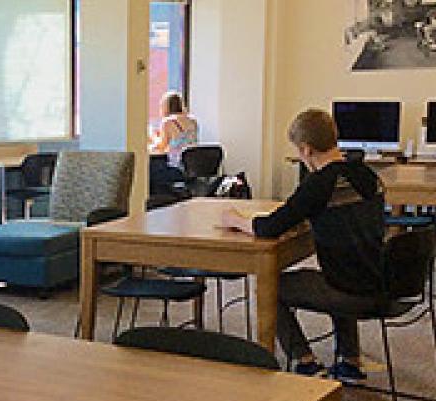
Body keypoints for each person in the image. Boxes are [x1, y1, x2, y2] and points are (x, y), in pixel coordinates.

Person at [220, 109, 385, 382]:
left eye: (298, 151)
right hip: (382, 281)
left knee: (271, 286)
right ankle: (350, 361)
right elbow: (345, 216)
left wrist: (236, 220)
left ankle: (304, 361)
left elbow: (270, 227)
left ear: (306, 150)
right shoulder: (367, 175)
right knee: (344, 268)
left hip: (350, 290)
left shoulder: (319, 184)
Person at [148, 91, 201, 196]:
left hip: (177, 169)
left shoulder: (168, 122)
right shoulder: (193, 121)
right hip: (193, 169)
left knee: (150, 170)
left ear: (166, 106)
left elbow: (162, 146)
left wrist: (152, 136)